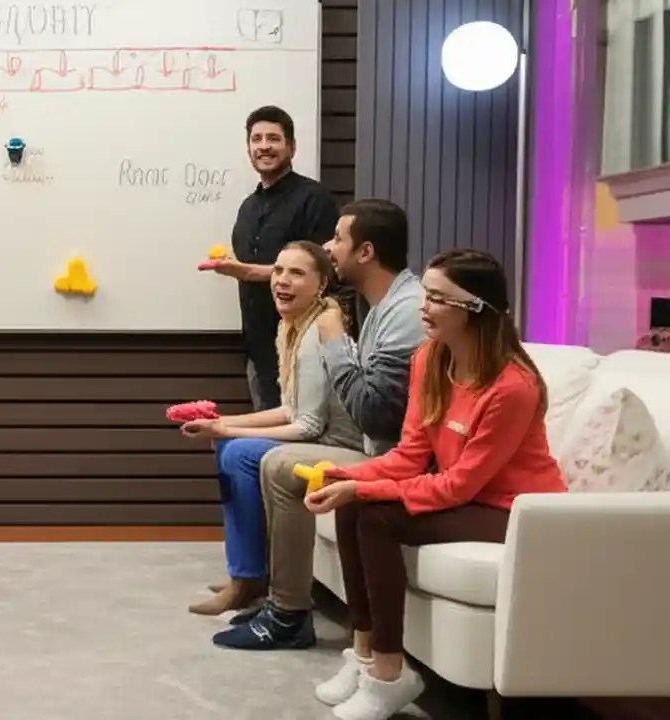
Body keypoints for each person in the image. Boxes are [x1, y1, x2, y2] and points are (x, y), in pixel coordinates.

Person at [304, 249, 567, 720]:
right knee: (350, 503)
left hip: (516, 511)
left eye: (438, 299)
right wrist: (346, 476)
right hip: (467, 495)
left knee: (375, 515)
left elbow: (458, 487)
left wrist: (364, 489)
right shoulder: (429, 359)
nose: (423, 307)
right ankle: (365, 656)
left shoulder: (513, 387)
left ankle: (388, 675)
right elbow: (409, 456)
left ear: (473, 310)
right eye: (425, 294)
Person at [226, 198, 426, 651]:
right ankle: (269, 596)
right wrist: (223, 424)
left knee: (276, 464)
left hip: (391, 455)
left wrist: (335, 340)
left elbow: (371, 414)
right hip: (383, 450)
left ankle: (288, 612)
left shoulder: (404, 311)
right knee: (256, 457)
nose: (329, 246)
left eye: (337, 238)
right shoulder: (381, 308)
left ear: (366, 251)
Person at [179, 241, 361, 622]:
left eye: (297, 273)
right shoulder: (291, 326)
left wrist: (228, 431)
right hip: (317, 437)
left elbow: (309, 426)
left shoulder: (317, 332)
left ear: (321, 284)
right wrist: (222, 424)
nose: (282, 280)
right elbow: (291, 408)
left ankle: (247, 581)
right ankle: (247, 575)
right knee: (228, 444)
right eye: (278, 271)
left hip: (342, 446)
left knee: (238, 453)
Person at [207, 105, 340, 411]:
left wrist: (251, 272)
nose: (264, 146)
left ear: (291, 147)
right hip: (258, 347)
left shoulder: (314, 199)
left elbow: (326, 267)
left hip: (304, 345)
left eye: (274, 138)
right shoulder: (248, 207)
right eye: (256, 139)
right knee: (266, 435)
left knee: (301, 431)